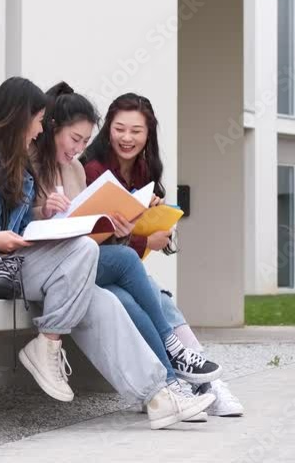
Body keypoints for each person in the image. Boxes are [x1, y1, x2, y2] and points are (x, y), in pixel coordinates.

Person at [0, 77, 213, 429]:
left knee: (103, 302)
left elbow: (23, 223)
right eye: (39, 120)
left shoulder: (17, 164)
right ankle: (50, 343)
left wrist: (44, 215)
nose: (40, 129)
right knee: (91, 259)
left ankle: (160, 396)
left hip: (11, 264)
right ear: (18, 116)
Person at [31, 83, 222, 403]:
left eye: (84, 141)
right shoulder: (44, 164)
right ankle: (176, 363)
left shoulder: (81, 168)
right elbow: (20, 219)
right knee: (135, 277)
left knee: (145, 297)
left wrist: (128, 225)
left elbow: (86, 228)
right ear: (52, 128)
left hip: (87, 255)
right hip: (57, 262)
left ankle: (181, 382)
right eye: (75, 139)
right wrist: (133, 234)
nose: (79, 147)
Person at [82, 92, 245, 417]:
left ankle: (207, 385)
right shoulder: (93, 170)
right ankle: (181, 386)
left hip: (121, 266)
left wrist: (155, 228)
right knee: (145, 300)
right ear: (108, 130)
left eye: (136, 131)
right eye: (119, 129)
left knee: (158, 299)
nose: (127, 138)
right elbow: (92, 238)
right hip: (94, 267)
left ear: (148, 134)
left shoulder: (146, 170)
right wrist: (144, 240)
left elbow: (131, 235)